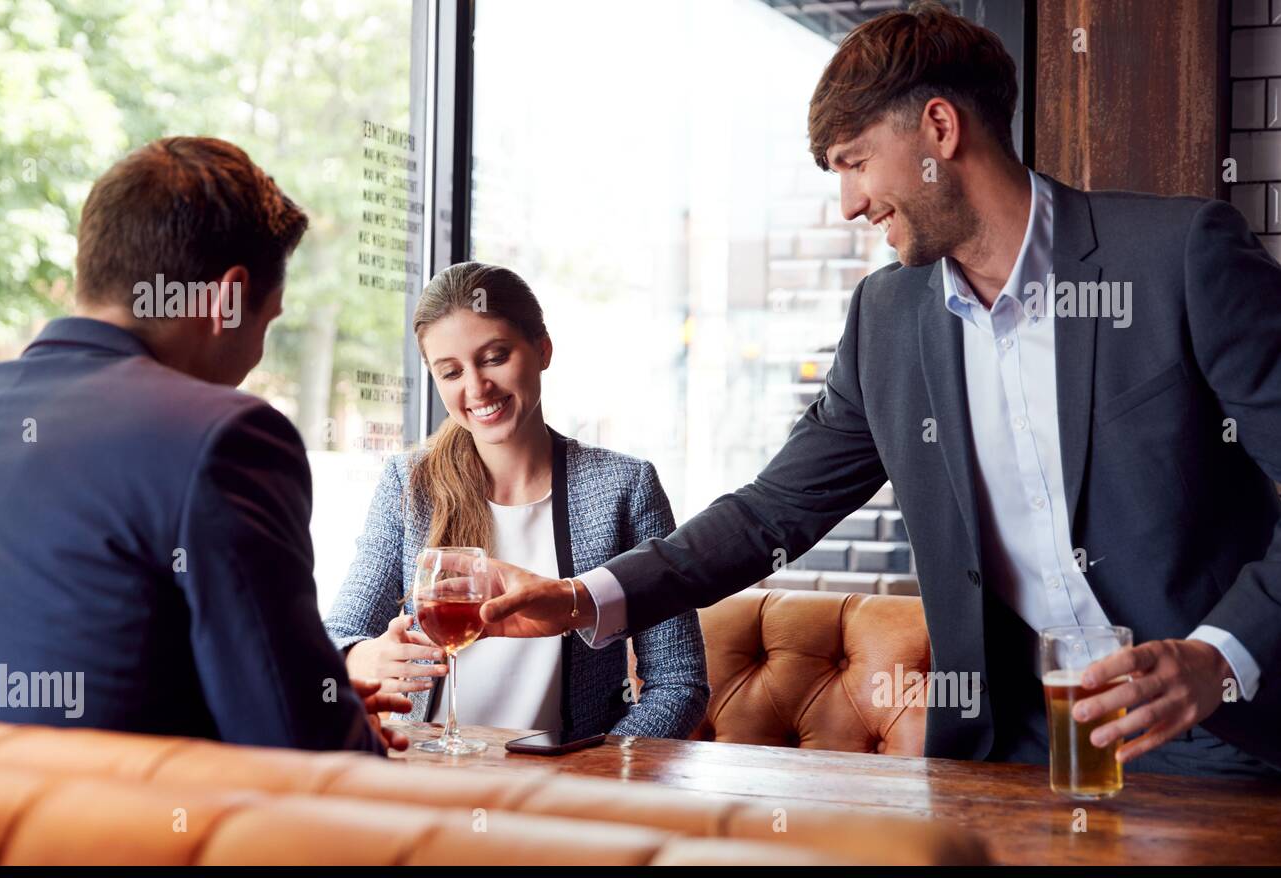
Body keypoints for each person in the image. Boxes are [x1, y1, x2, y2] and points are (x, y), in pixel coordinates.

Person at [471, 2, 1281, 777]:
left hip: (1224, 732)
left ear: (939, 127)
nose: (851, 202)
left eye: (856, 162)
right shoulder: (887, 319)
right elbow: (769, 514)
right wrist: (580, 599)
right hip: (1016, 747)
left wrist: (1218, 656)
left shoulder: (1178, 258)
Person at [0, 137, 409, 753]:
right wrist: (341, 725)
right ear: (228, 302)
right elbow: (296, 751)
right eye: (267, 321)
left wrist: (319, 692)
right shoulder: (223, 437)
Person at [327, 262, 709, 739]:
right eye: (450, 372)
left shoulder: (624, 487)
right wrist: (354, 657)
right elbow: (336, 634)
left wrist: (601, 772)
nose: (476, 388)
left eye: (494, 357)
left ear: (542, 349)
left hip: (562, 791)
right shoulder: (410, 483)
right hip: (426, 773)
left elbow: (679, 682)